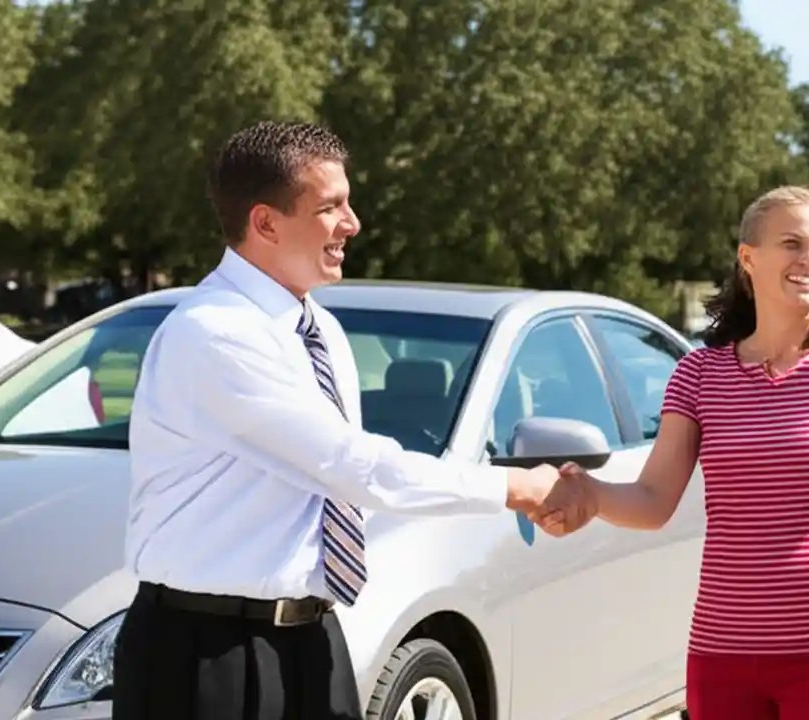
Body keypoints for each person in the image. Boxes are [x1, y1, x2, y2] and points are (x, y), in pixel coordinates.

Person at [114, 121, 560, 720]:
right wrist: (517, 487)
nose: (352, 223)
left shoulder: (319, 329)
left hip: (311, 640)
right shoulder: (214, 333)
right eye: (331, 207)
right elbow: (351, 466)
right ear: (266, 223)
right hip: (210, 656)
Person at [540, 186, 809, 720]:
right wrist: (591, 493)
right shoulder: (699, 374)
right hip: (722, 656)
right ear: (749, 258)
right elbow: (652, 500)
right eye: (792, 243)